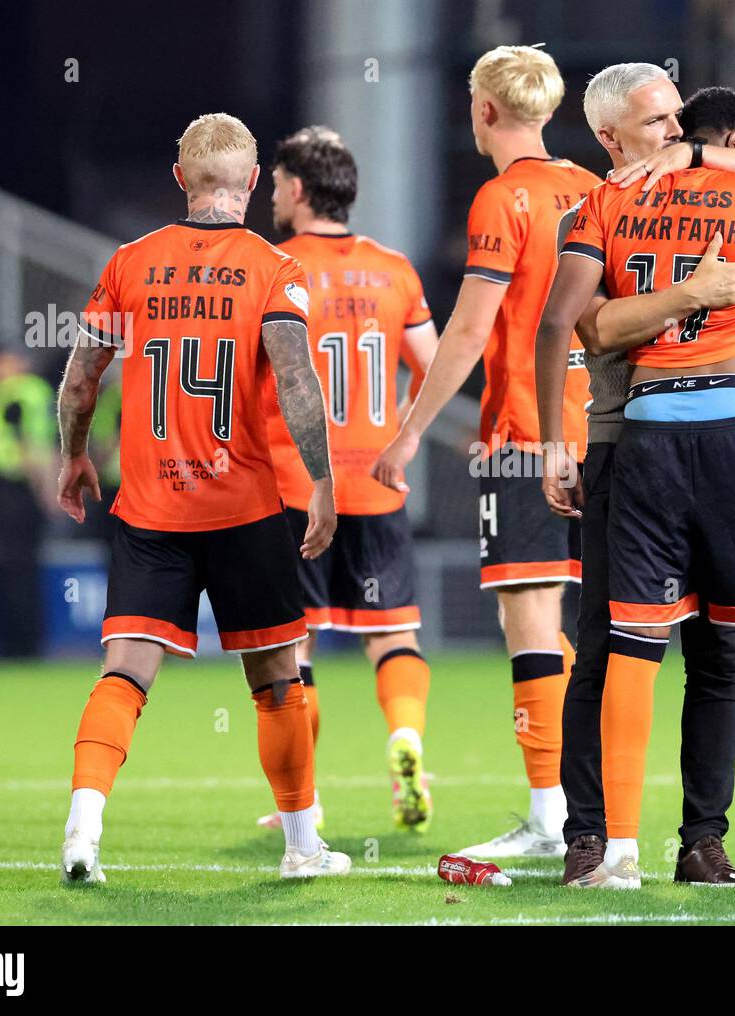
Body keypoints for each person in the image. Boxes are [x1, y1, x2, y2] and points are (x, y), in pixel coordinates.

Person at [537, 69, 735, 889]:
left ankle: (620, 851)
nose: (673, 131)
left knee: (633, 648)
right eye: (658, 121)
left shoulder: (604, 206)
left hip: (640, 432)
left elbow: (579, 325)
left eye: (680, 121)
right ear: (612, 136)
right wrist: (703, 294)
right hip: (733, 432)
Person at [55, 112, 347, 883]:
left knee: (123, 673)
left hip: (150, 508)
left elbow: (82, 378)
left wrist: (75, 457)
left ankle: (82, 832)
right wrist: (321, 481)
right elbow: (295, 380)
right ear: (252, 182)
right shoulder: (273, 267)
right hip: (245, 508)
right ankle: (300, 847)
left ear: (179, 177)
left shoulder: (128, 263)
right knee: (278, 678)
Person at [371, 45, 599, 858]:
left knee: (529, 619)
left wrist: (405, 435)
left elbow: (468, 331)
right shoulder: (595, 188)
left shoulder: (502, 200)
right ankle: (596, 811)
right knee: (603, 630)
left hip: (525, 440)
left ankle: (553, 817)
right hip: (603, 433)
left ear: (485, 111)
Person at [254, 126, 439, 834]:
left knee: (292, 647)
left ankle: (303, 803)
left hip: (298, 489)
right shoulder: (393, 269)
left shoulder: (272, 266)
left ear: (299, 190)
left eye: (275, 184)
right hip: (377, 483)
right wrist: (405, 435)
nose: (272, 195)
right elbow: (430, 364)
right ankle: (407, 739)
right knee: (393, 636)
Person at [0, 349, 59, 659]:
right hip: (8, 492)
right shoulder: (9, 394)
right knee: (18, 566)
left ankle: (23, 645)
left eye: (0, 361)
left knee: (19, 567)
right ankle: (21, 641)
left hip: (18, 491)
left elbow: (35, 447)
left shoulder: (22, 394)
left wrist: (46, 492)